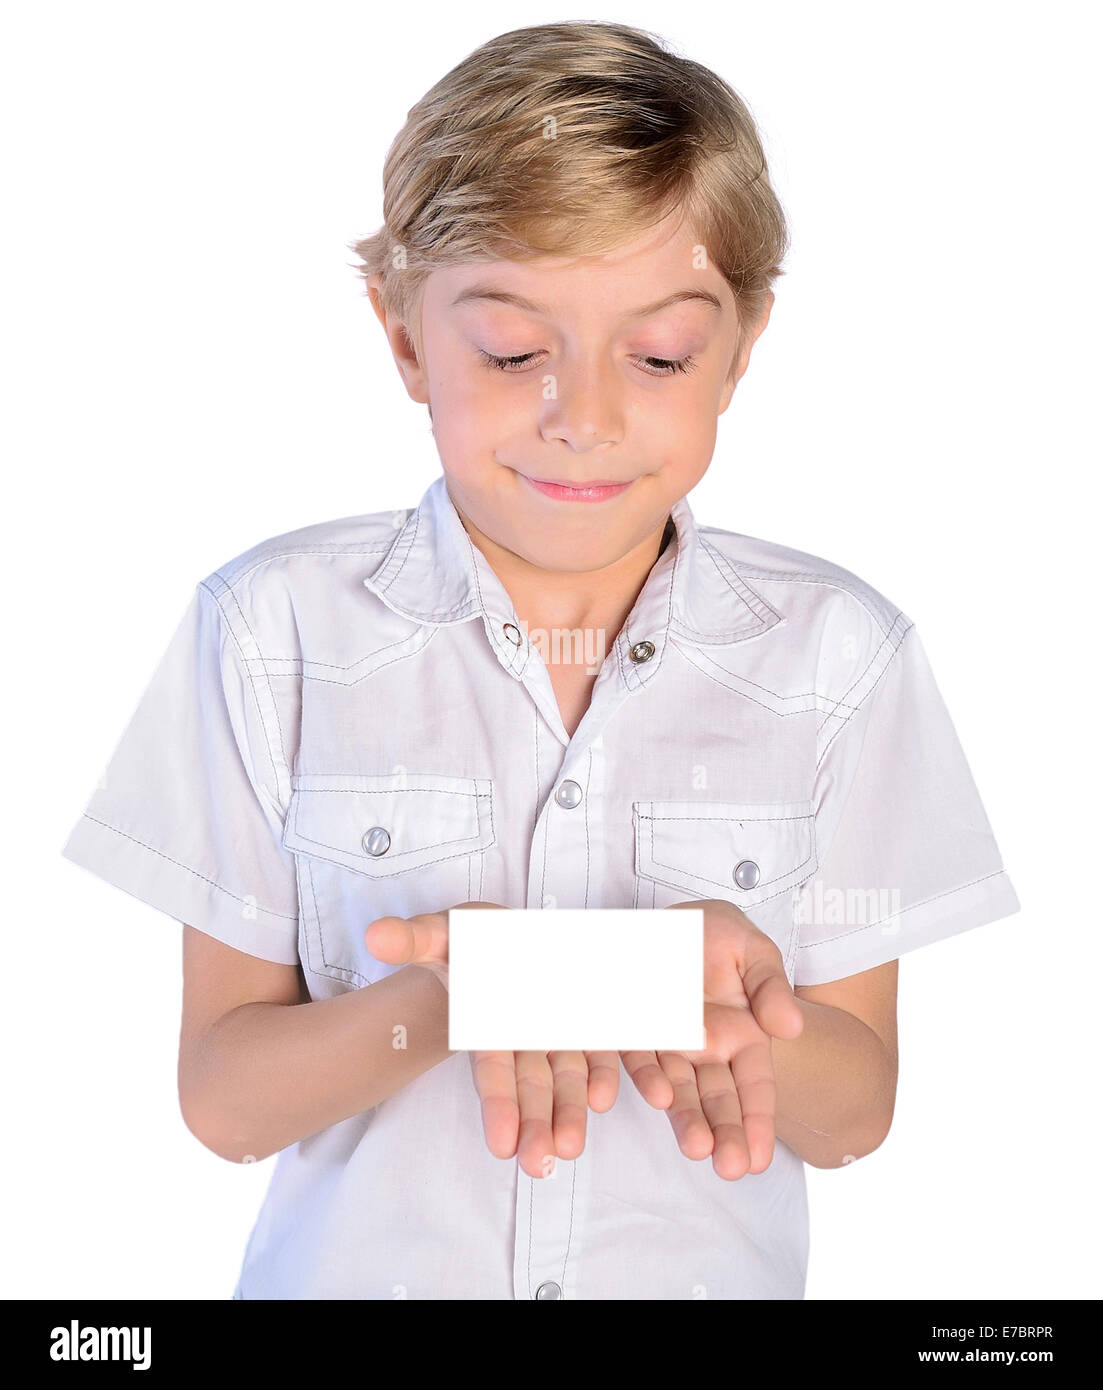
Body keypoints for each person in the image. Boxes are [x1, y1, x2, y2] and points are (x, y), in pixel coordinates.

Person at [61, 20, 1019, 1300]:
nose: (585, 415)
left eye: (660, 355)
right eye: (512, 352)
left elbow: (852, 1113)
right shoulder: (272, 631)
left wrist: (690, 1005)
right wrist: (471, 997)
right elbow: (225, 1101)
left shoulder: (840, 658)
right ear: (404, 337)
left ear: (739, 348)